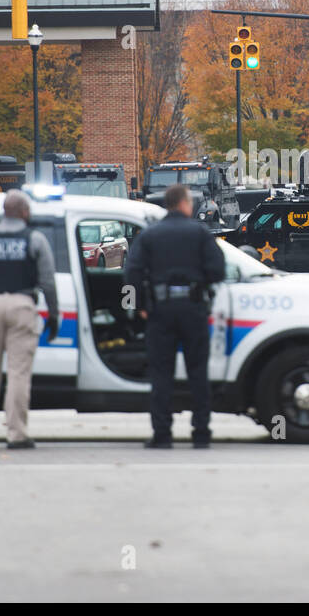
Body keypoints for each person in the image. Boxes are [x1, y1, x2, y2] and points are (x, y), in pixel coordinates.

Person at [124, 182, 226, 449]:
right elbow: (218, 270)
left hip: (160, 311)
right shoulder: (200, 233)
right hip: (193, 309)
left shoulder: (149, 235)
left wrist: (137, 306)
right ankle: (201, 434)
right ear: (183, 203)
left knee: (161, 374)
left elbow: (130, 274)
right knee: (197, 373)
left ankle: (162, 434)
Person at [0, 189, 58, 449]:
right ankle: (16, 434)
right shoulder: (35, 239)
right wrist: (54, 314)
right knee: (18, 374)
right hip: (22, 305)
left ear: (4, 211)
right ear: (25, 212)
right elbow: (48, 282)